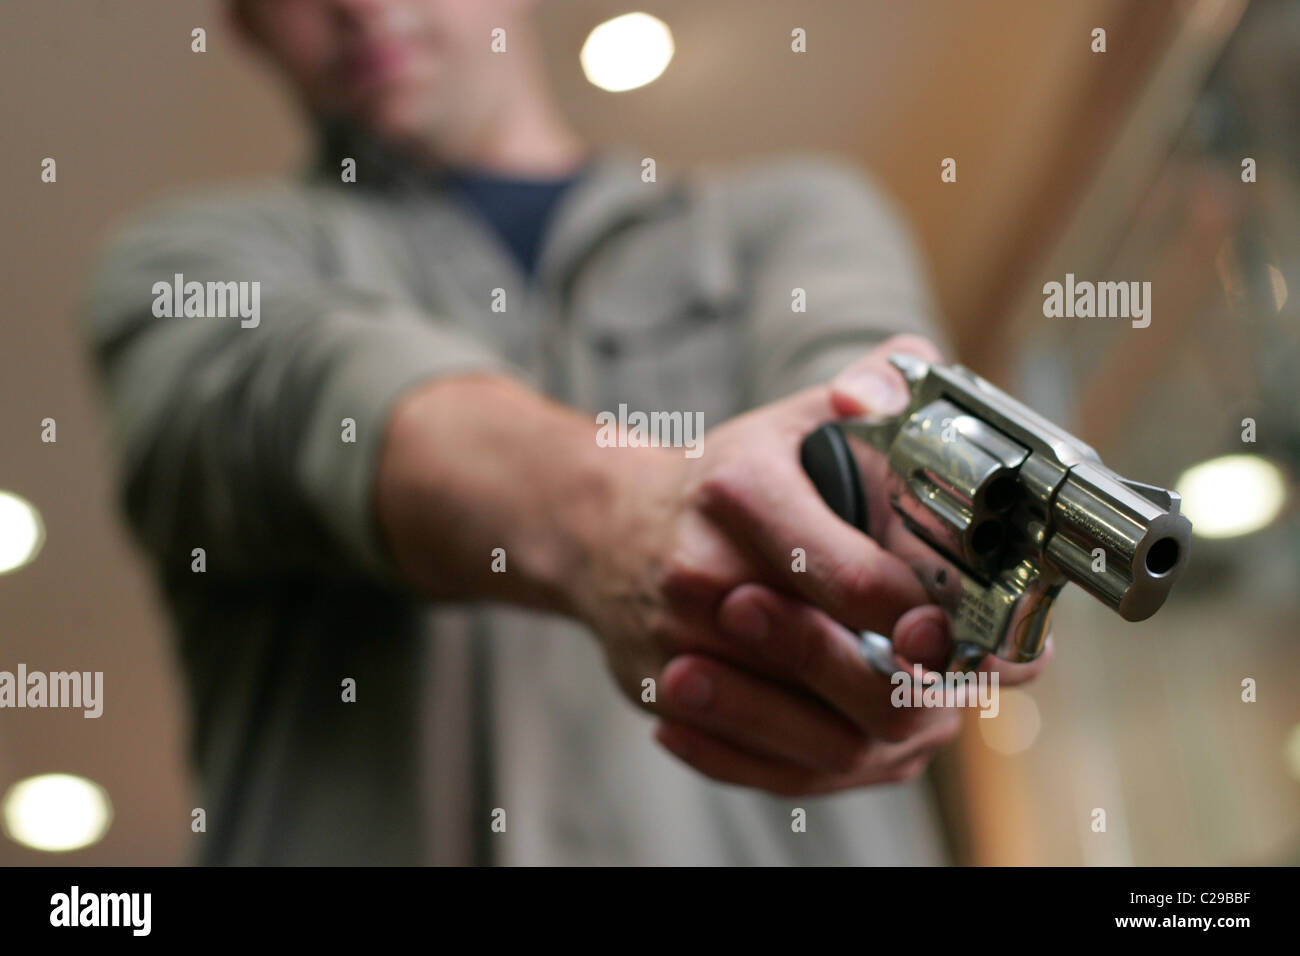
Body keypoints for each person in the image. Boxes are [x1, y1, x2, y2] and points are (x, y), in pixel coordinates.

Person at [84, 0, 1050, 865]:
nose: (357, 6)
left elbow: (862, 397)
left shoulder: (793, 220)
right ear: (245, 22)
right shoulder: (187, 264)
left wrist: (910, 557)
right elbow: (322, 399)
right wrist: (620, 521)